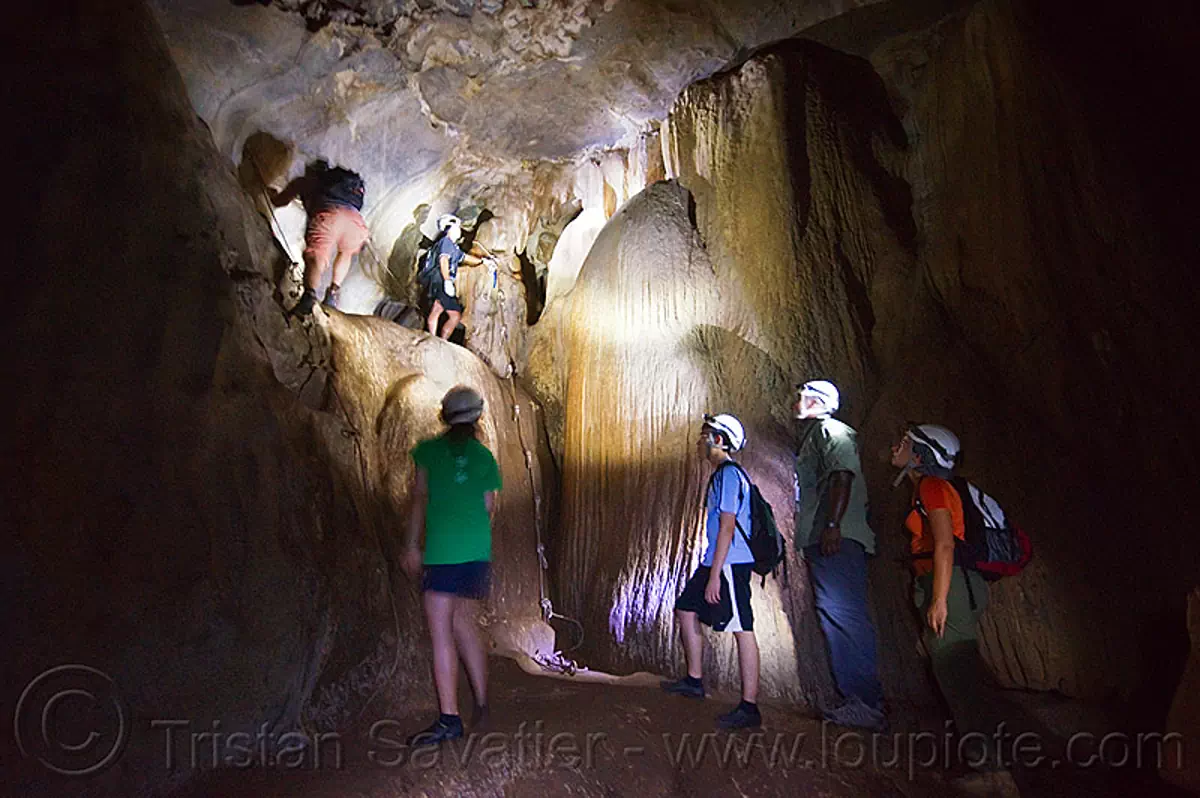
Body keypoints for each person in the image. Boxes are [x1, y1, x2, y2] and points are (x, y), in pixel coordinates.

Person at [892, 423, 1019, 794]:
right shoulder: (927, 488)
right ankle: (993, 766)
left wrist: (940, 599)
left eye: (905, 443)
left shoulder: (931, 487)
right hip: (952, 583)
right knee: (959, 673)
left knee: (957, 673)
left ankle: (995, 774)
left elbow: (945, 544)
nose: (896, 445)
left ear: (920, 455)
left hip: (951, 585)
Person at [401, 386, 502, 744]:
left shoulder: (428, 452)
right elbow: (489, 506)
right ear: (478, 418)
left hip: (442, 551)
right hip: (476, 552)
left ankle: (449, 718)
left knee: (441, 632)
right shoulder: (484, 457)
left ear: (444, 415)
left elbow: (419, 499)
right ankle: (482, 702)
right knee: (465, 624)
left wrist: (412, 545)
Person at [793, 380, 885, 730]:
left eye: (802, 397)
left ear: (817, 401)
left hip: (838, 537)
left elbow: (842, 475)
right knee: (835, 613)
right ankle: (858, 699)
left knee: (843, 614)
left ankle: (866, 703)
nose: (796, 402)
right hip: (827, 536)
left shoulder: (831, 430)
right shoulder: (817, 434)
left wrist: (833, 524)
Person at [661, 413, 761, 730]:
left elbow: (728, 527)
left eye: (704, 435)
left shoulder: (730, 475)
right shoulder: (721, 476)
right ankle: (694, 680)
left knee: (742, 627)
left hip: (730, 562)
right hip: (714, 561)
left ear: (718, 440)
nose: (698, 441)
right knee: (686, 608)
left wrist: (716, 573)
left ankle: (749, 706)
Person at [270, 159, 368, 315]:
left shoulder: (305, 182)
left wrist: (271, 194)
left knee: (317, 255)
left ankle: (309, 295)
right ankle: (333, 294)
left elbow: (279, 201)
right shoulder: (347, 190)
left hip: (330, 216)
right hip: (356, 222)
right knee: (346, 253)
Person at [423, 214, 494, 339]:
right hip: (440, 279)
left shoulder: (453, 248)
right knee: (455, 315)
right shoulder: (446, 242)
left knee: (437, 308)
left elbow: (466, 258)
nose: (460, 230)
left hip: (437, 280)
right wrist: (447, 281)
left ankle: (433, 338)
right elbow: (443, 260)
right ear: (451, 229)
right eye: (457, 228)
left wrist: (484, 261)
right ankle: (440, 340)